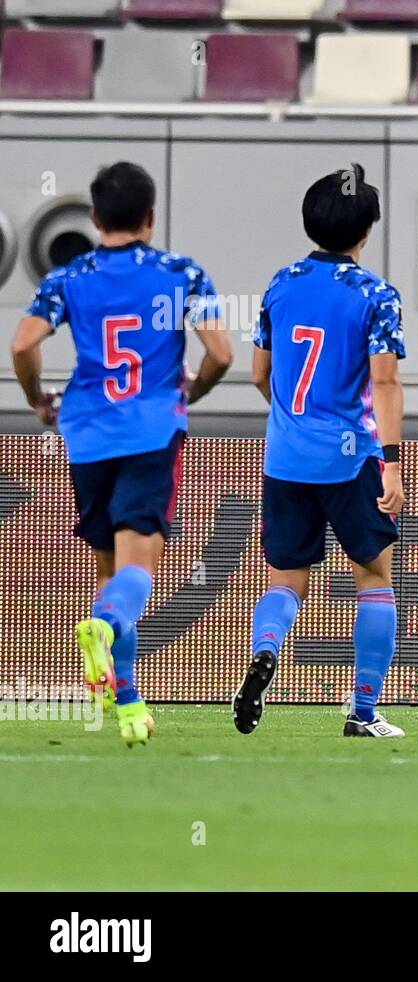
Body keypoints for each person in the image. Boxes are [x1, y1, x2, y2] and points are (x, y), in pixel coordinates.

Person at [11, 161, 231, 747]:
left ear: (94, 218)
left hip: (85, 434)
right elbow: (222, 353)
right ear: (151, 217)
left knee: (110, 570)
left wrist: (38, 399)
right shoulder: (182, 272)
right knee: (136, 572)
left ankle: (130, 703)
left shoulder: (69, 277)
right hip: (150, 431)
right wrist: (194, 388)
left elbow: (24, 343)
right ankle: (105, 629)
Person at [232, 164, 407, 739]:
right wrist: (393, 463)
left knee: (285, 579)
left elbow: (261, 372)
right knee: (374, 578)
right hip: (351, 454)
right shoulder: (377, 296)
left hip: (286, 456)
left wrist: (292, 419)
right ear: (366, 231)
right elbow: (384, 384)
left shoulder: (281, 284)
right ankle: (362, 710)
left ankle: (264, 651)